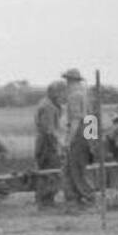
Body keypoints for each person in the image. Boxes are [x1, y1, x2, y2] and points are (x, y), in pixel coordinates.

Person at [62, 69, 95, 210]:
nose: (66, 84)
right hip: (86, 132)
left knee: (75, 169)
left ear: (70, 81)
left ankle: (88, 198)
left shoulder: (74, 96)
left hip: (78, 134)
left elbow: (76, 119)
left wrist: (68, 141)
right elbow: (91, 117)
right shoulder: (85, 94)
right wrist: (91, 139)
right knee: (75, 168)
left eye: (67, 81)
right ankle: (76, 200)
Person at [33, 80, 66, 209]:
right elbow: (49, 130)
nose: (63, 96)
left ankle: (45, 200)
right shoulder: (48, 107)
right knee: (50, 171)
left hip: (45, 142)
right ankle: (45, 201)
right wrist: (61, 145)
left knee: (47, 171)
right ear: (54, 93)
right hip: (47, 144)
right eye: (61, 93)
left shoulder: (48, 104)